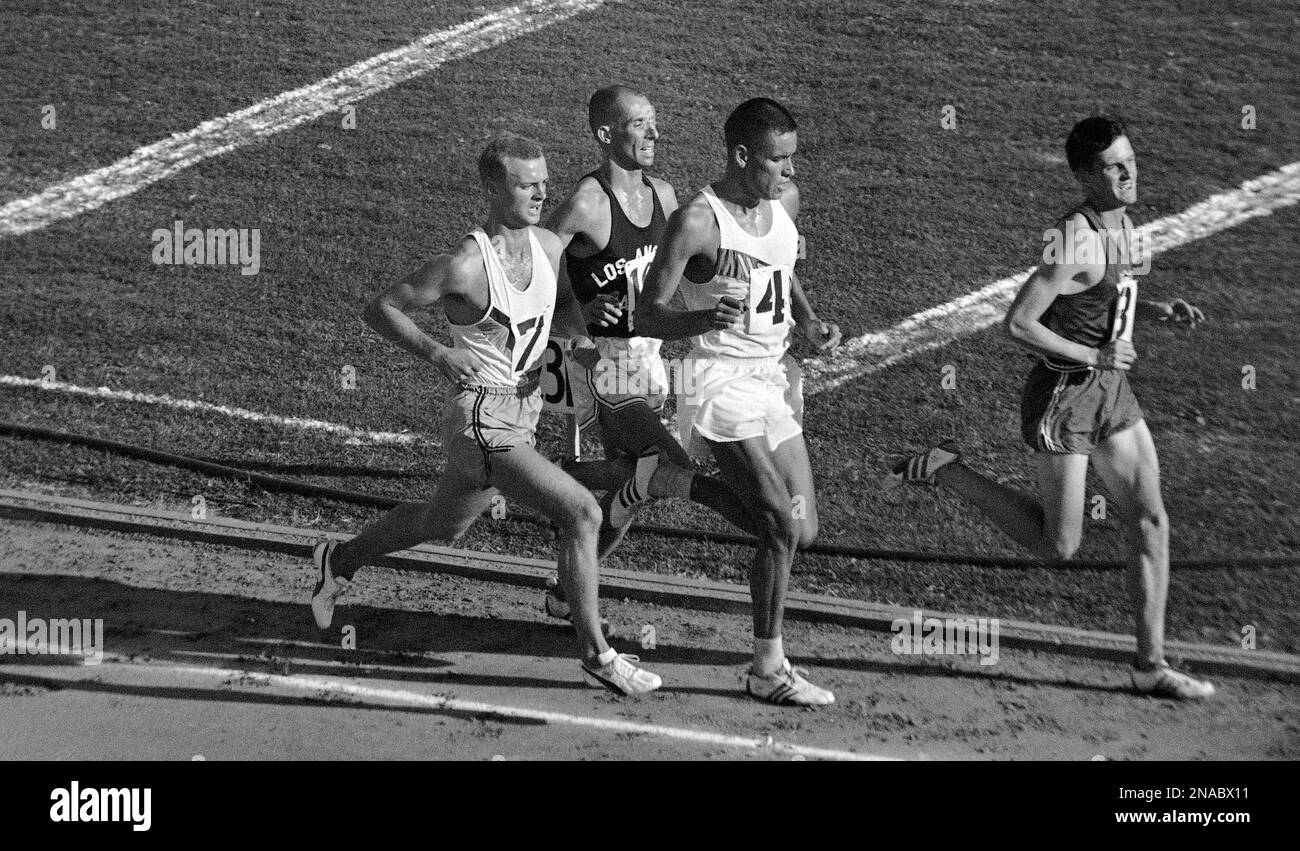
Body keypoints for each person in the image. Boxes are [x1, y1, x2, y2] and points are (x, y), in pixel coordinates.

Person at [308, 134, 661, 696]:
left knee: (440, 523)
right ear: (494, 188)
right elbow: (381, 307)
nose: (542, 192)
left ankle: (339, 559)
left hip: (523, 412)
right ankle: (597, 654)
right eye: (527, 184)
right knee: (581, 514)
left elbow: (562, 310)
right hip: (478, 419)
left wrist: (585, 329)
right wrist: (438, 352)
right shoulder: (466, 266)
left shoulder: (548, 246)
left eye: (544, 181)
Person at [885, 116, 1213, 700]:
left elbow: (1106, 296)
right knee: (1058, 545)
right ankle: (945, 468)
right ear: (1088, 174)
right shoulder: (1076, 238)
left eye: (1130, 160)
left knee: (1151, 518)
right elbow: (1019, 322)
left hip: (1111, 393)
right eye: (1115, 166)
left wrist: (1157, 311)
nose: (1129, 172)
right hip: (1065, 398)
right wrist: (1096, 352)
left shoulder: (1125, 224)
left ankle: (1150, 664)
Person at [637, 97, 842, 706]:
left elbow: (783, 266)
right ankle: (767, 668)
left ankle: (669, 481)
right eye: (778, 161)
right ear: (743, 155)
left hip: (772, 377)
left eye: (792, 161)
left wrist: (807, 320)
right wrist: (701, 316)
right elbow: (647, 312)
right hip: (718, 379)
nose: (789, 173)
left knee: (800, 529)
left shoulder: (785, 204)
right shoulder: (697, 222)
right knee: (776, 521)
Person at [541, 84, 760, 620]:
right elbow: (529, 276)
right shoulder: (587, 204)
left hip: (650, 359)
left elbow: (678, 269)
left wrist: (736, 260)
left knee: (635, 489)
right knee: (671, 467)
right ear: (606, 134)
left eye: (653, 122)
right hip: (600, 363)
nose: (655, 133)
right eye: (640, 124)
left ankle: (566, 595)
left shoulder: (663, 195)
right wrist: (580, 321)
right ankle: (552, 479)